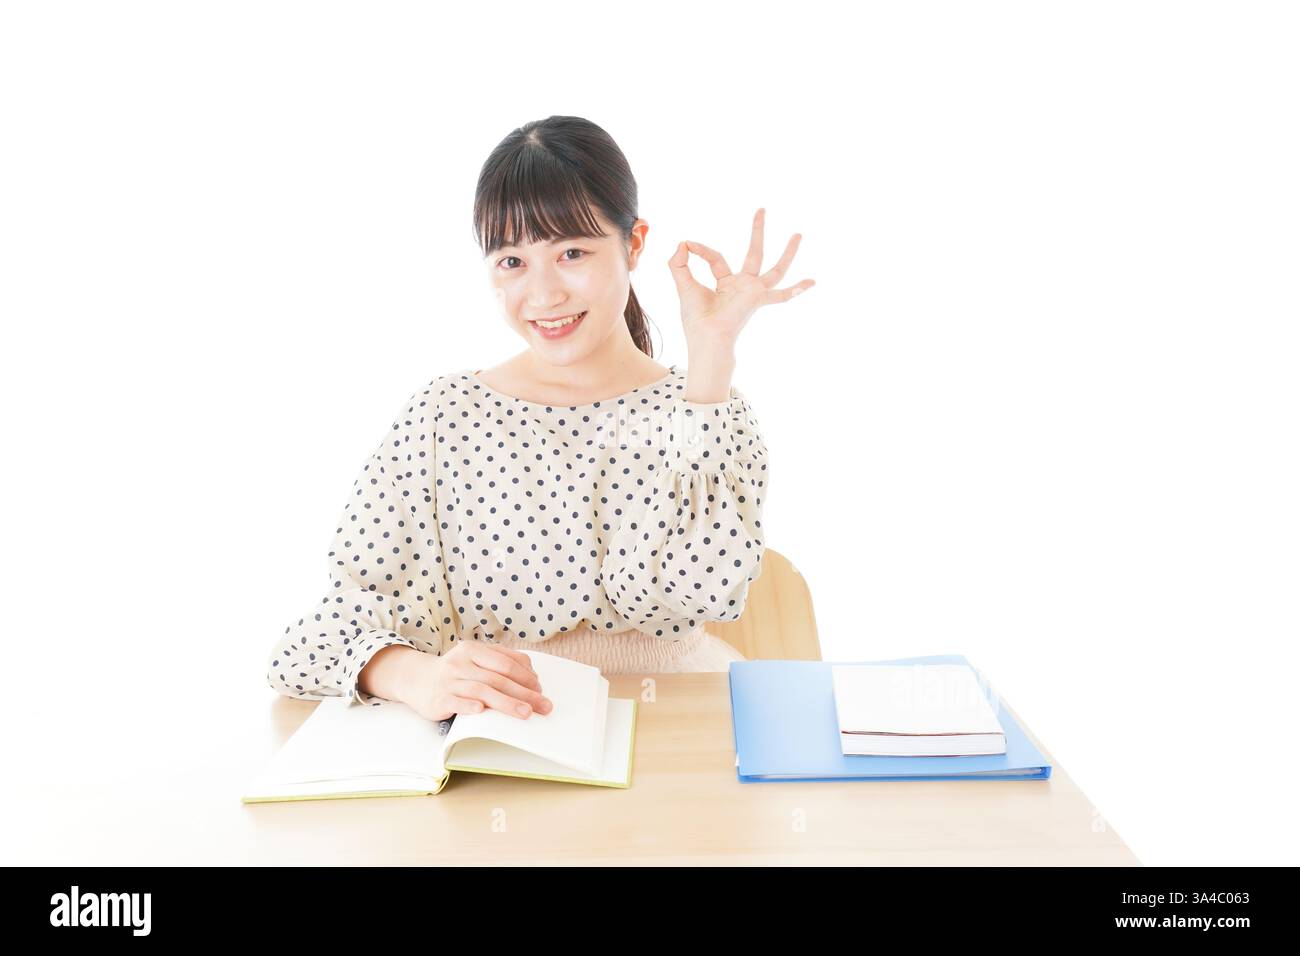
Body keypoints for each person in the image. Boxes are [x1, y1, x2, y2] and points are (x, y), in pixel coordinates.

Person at [265, 115, 814, 724]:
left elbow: (706, 585)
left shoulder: (702, 409)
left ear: (634, 245)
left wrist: (711, 360)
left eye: (572, 252)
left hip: (681, 725)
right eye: (511, 262)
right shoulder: (443, 418)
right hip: (508, 732)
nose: (544, 294)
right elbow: (317, 639)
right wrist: (414, 674)